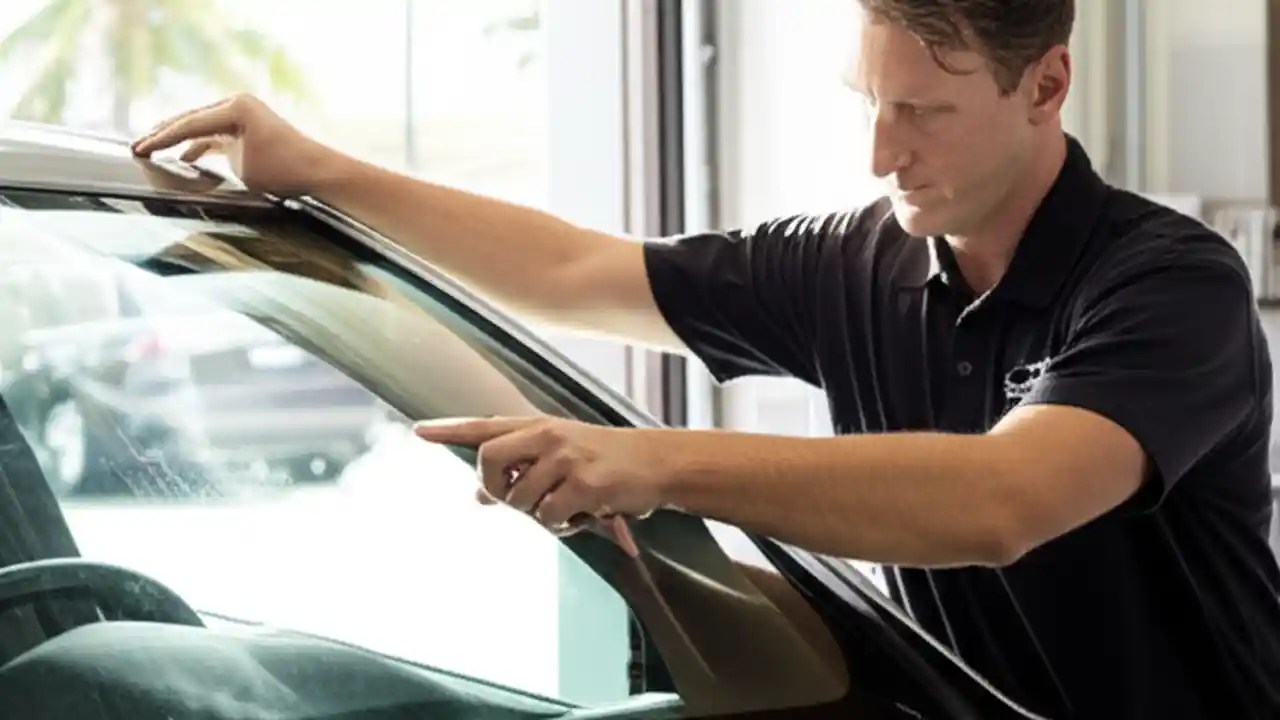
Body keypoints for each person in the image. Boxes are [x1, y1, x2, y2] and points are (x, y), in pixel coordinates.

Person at [132, 0, 1280, 716]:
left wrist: (650, 462)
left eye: (922, 111)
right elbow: (582, 275)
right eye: (868, 102)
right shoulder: (856, 264)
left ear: (1045, 84)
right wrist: (318, 170)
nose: (881, 151)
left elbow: (1001, 499)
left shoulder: (1168, 286)